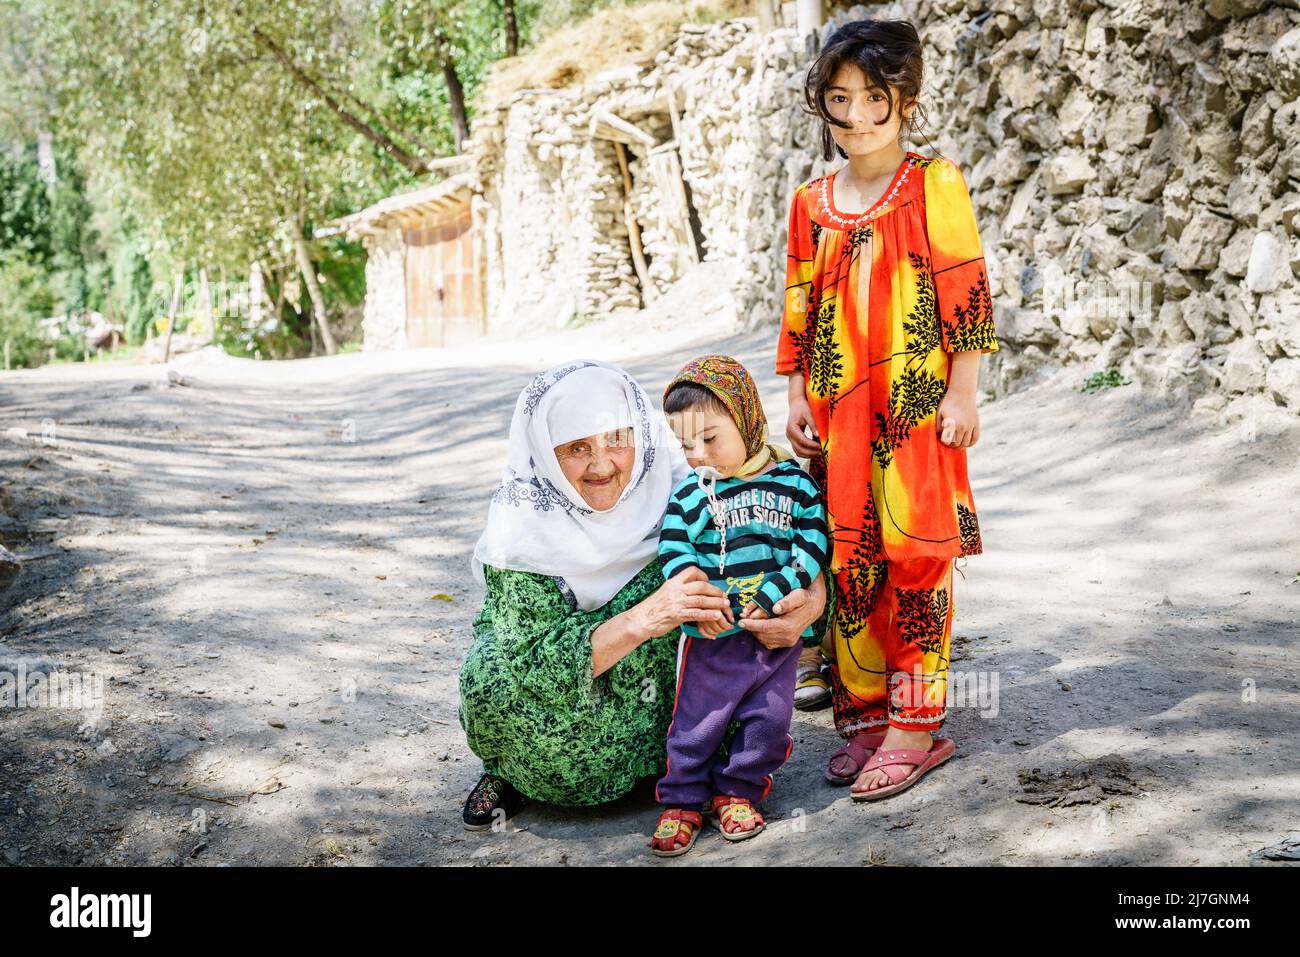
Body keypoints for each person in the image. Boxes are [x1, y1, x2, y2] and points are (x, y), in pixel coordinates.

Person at [777, 19, 1000, 801]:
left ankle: (915, 725)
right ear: (823, 106)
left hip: (915, 411)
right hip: (840, 413)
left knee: (916, 559)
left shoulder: (933, 182)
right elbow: (801, 302)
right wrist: (799, 391)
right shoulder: (812, 202)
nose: (858, 115)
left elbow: (966, 289)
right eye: (840, 98)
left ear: (903, 100)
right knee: (852, 561)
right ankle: (866, 718)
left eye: (876, 97)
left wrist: (964, 395)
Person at [457, 359, 828, 828]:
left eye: (616, 438)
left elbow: (786, 537)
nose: (602, 464)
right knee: (490, 682)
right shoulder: (522, 528)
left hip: (681, 683)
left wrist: (809, 601)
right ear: (544, 454)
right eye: (575, 448)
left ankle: (689, 775)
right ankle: (511, 772)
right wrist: (645, 617)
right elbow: (535, 667)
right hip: (571, 692)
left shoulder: (687, 478)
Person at [648, 355, 829, 856]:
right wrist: (690, 587)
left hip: (773, 640)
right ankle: (682, 799)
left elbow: (812, 546)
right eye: (686, 444)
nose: (699, 454)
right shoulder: (691, 493)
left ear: (747, 420)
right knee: (695, 721)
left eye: (710, 438)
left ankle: (739, 791)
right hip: (712, 637)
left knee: (769, 722)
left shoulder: (793, 484)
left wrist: (777, 593)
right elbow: (674, 545)